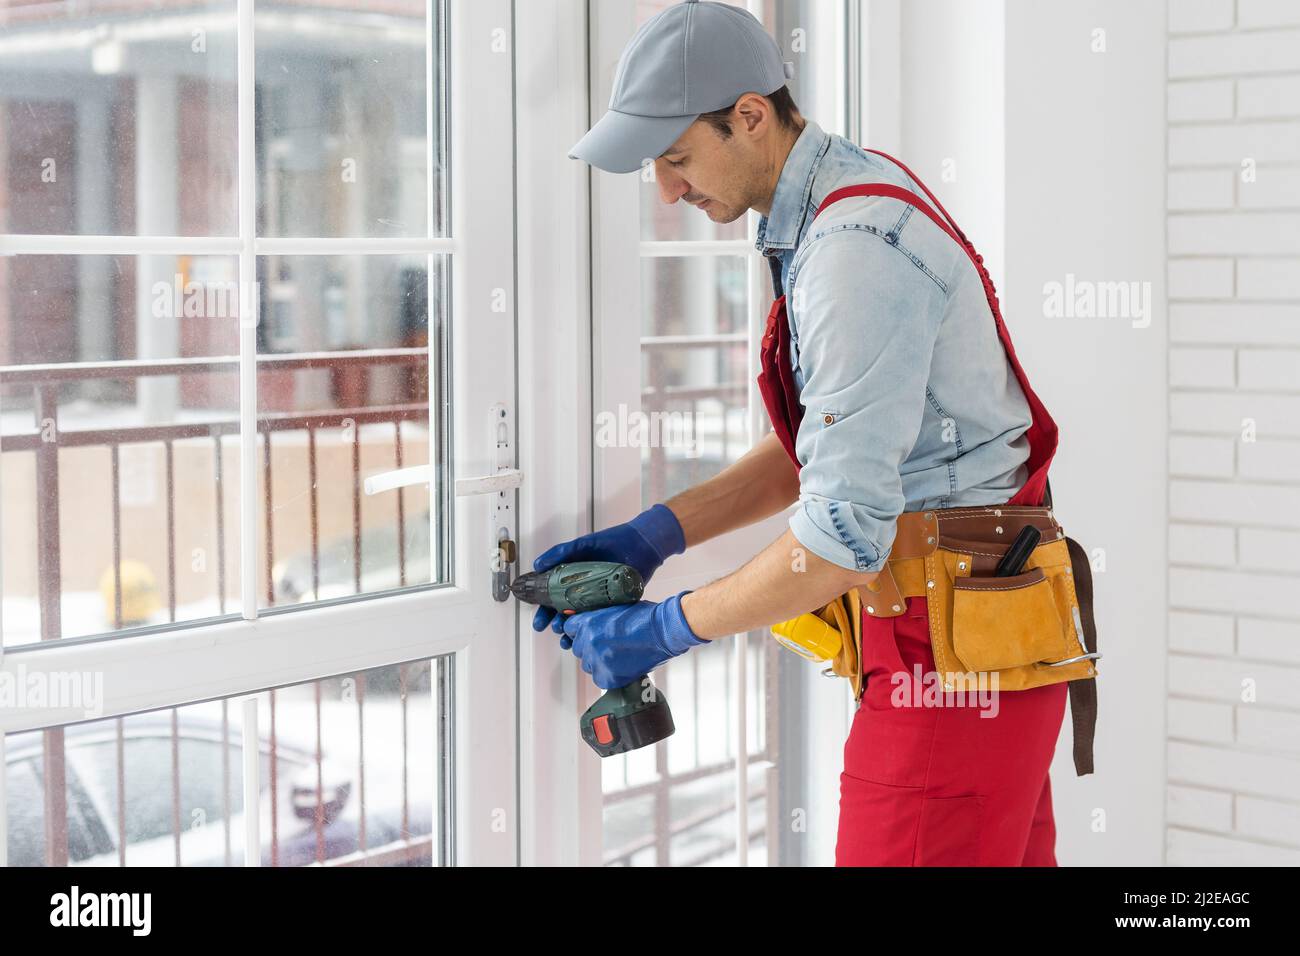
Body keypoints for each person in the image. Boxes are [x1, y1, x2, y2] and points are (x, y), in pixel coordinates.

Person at [552, 0, 1073, 866]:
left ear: (750, 115)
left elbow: (840, 540)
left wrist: (664, 628)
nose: (669, 190)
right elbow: (829, 452)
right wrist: (657, 536)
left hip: (951, 666)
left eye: (678, 158)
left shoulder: (853, 250)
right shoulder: (841, 198)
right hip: (978, 644)